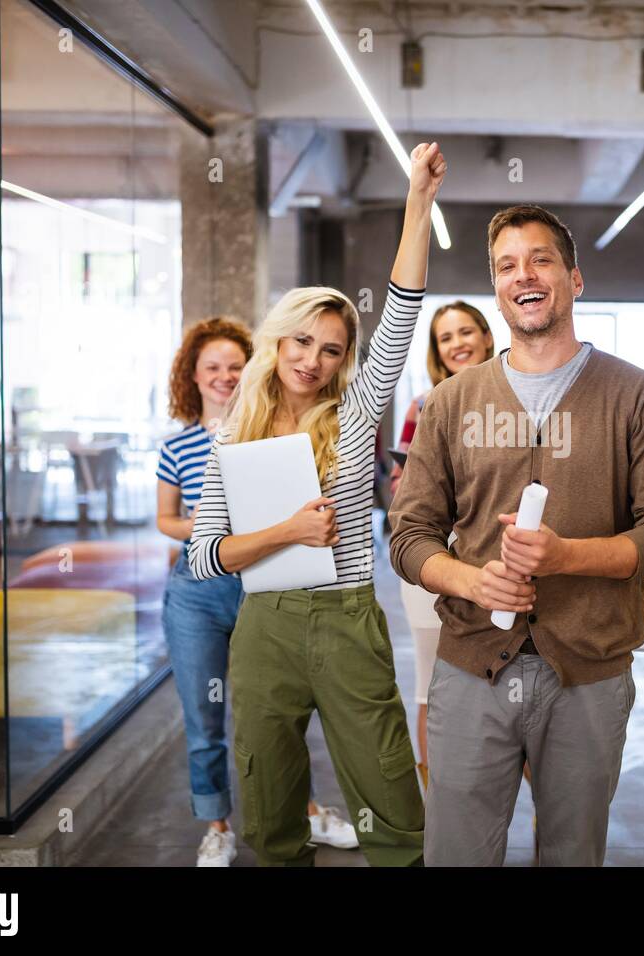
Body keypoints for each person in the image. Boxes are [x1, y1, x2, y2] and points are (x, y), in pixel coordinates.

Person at [389, 203, 644, 866]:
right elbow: (409, 535)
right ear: (495, 288)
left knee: (571, 853)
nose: (522, 275)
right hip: (471, 665)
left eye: (540, 260)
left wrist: (566, 557)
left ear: (574, 279)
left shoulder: (637, 396)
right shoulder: (451, 403)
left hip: (588, 675)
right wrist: (470, 578)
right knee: (457, 852)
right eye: (506, 265)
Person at [186, 141, 447, 867]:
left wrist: (417, 202)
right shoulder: (231, 435)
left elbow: (400, 313)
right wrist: (287, 530)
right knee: (268, 808)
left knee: (390, 795)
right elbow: (204, 556)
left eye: (332, 349)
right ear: (278, 341)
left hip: (346, 618)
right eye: (302, 340)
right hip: (263, 629)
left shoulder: (356, 414)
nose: (313, 359)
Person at [157, 318, 357, 867]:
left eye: (233, 366)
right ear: (192, 377)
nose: (224, 376)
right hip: (195, 594)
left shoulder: (273, 431)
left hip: (261, 584)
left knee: (280, 715)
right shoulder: (177, 447)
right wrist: (213, 527)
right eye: (211, 368)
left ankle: (307, 811)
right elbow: (166, 521)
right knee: (205, 717)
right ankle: (217, 826)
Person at [389, 301, 495, 788]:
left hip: (500, 561)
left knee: (518, 683)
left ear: (486, 336)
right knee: (431, 682)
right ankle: (439, 806)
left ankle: (544, 824)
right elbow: (401, 493)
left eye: (465, 331)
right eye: (445, 337)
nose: (457, 343)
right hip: (434, 559)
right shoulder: (423, 407)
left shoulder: (516, 398)